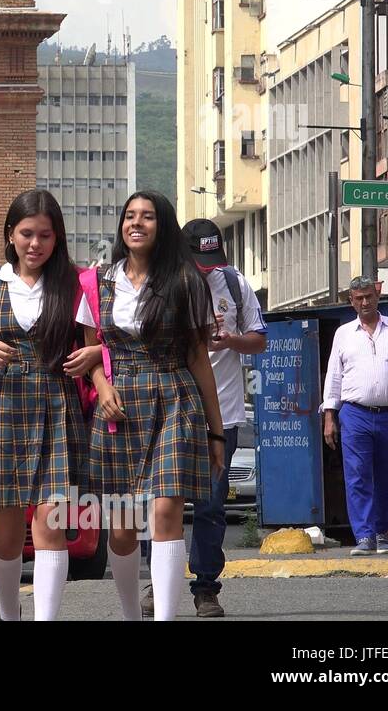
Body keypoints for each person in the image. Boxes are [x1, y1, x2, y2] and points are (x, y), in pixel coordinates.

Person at [0, 189, 104, 621]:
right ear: (10, 234)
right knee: (5, 535)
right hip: (1, 412)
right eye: (26, 234)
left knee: (50, 528)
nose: (35, 244)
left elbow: (99, 348)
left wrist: (94, 356)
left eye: (45, 235)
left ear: (56, 238)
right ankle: (9, 613)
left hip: (57, 410)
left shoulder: (75, 286)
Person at [83, 191, 226, 621]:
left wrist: (216, 432)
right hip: (119, 405)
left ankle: (164, 616)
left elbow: (199, 358)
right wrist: (101, 386)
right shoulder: (99, 281)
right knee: (123, 528)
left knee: (165, 511)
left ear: (162, 226)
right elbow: (92, 349)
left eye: (147, 217)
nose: (137, 224)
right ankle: (131, 612)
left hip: (173, 397)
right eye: (130, 216)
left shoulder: (186, 281)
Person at [141, 218, 267, 619]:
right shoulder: (160, 285)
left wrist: (229, 339)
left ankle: (206, 588)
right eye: (199, 261)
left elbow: (260, 339)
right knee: (161, 506)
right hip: (169, 413)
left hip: (223, 417)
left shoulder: (234, 284)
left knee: (211, 507)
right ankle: (159, 583)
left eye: (212, 260)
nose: (206, 269)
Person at [321, 275, 388, 556]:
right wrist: (329, 415)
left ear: (377, 296)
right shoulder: (343, 333)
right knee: (357, 475)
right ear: (352, 302)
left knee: (387, 476)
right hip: (355, 414)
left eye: (369, 296)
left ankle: (381, 532)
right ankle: (365, 535)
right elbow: (333, 378)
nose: (365, 302)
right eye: (359, 298)